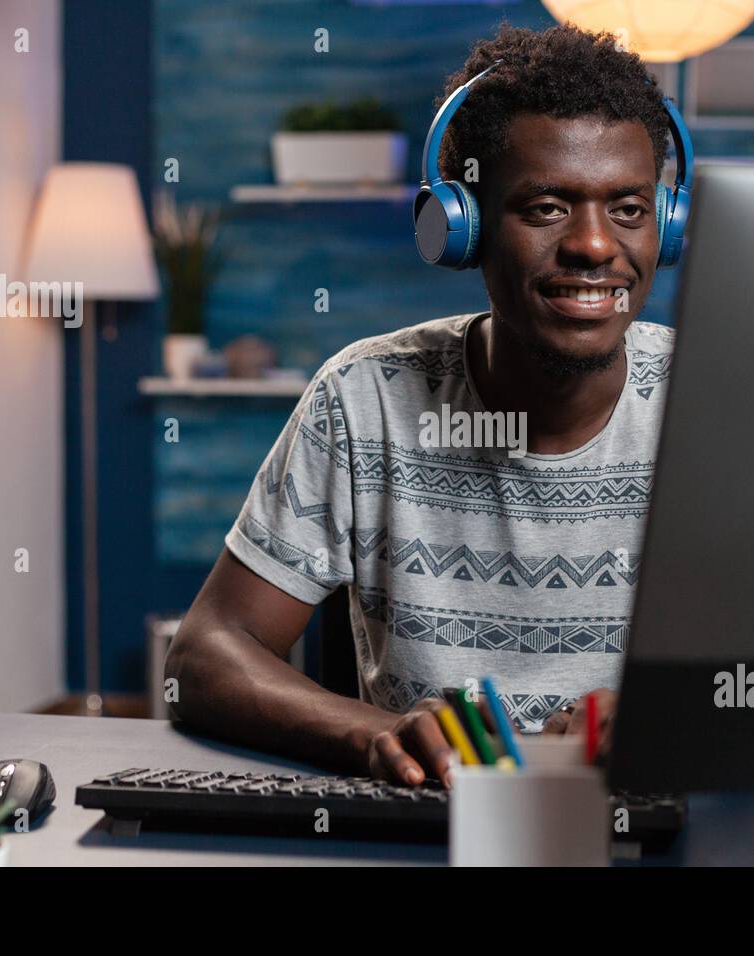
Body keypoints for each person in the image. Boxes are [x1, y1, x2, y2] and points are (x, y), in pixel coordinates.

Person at [166, 23, 675, 787]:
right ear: (459, 228)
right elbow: (205, 656)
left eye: (629, 208)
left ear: (666, 223)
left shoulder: (710, 400)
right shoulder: (363, 399)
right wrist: (374, 733)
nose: (596, 245)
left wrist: (673, 714)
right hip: (426, 828)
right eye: (546, 208)